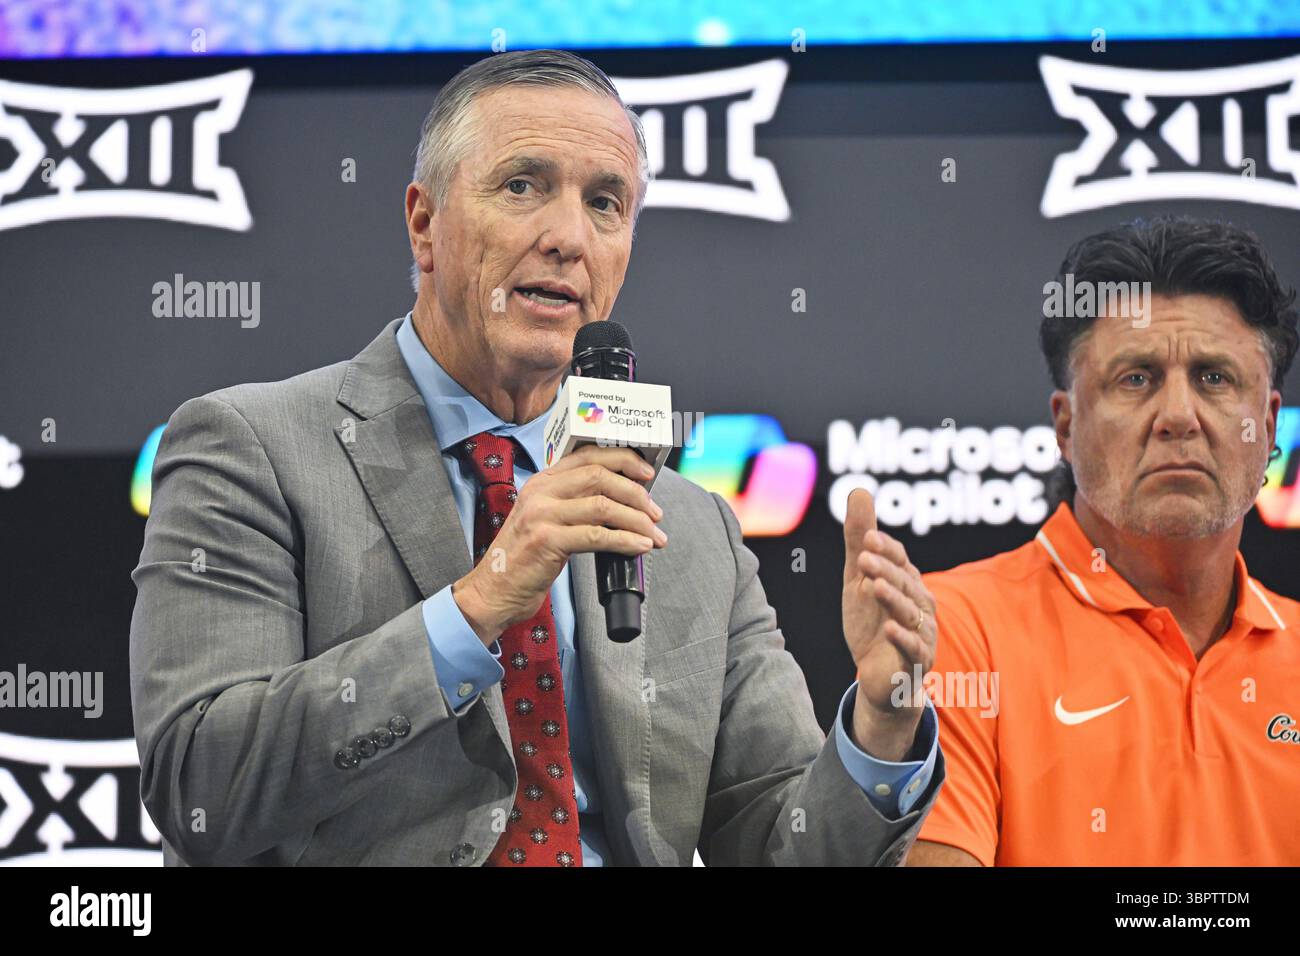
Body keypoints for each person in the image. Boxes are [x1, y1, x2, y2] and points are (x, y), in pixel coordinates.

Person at [129, 49, 944, 867]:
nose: (567, 238)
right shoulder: (252, 447)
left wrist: (881, 722)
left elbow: (780, 848)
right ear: (425, 224)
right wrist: (479, 603)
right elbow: (201, 786)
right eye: (522, 186)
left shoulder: (690, 532)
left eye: (604, 203)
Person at [909, 216, 1300, 866]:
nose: (1178, 416)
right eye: (1137, 378)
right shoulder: (956, 628)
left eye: (1213, 378)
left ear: (1265, 423)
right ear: (1065, 426)